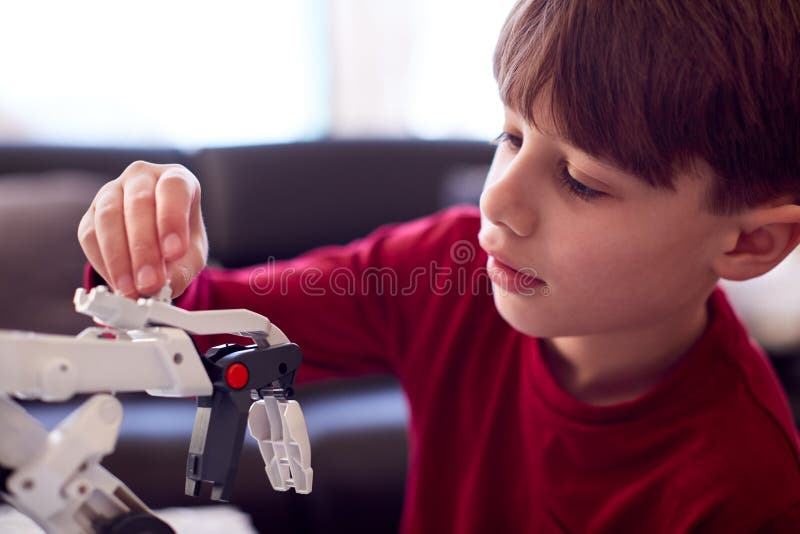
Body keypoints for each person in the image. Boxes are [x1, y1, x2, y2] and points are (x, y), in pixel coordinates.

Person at [78, 1, 800, 532]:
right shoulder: (447, 270)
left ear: (749, 245)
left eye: (581, 179)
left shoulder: (750, 486)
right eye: (510, 137)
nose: (499, 199)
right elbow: (196, 336)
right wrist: (147, 260)